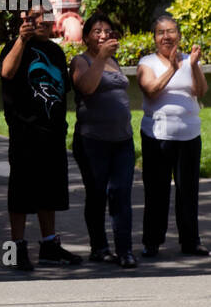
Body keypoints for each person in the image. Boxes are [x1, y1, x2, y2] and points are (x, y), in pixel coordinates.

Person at [0, 4, 82, 270]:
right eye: (36, 18)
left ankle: (49, 246)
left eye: (46, 17)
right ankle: (14, 251)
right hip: (24, 133)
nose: (42, 23)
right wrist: (22, 40)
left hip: (53, 134)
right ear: (26, 21)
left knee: (50, 192)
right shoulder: (15, 46)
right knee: (20, 194)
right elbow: (7, 73)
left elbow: (61, 89)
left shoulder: (55, 52)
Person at [70, 14, 137, 268]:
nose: (103, 35)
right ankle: (99, 247)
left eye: (107, 31)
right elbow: (86, 87)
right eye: (97, 31)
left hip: (122, 139)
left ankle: (125, 250)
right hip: (92, 141)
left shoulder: (114, 62)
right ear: (86, 37)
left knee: (121, 193)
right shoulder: (81, 61)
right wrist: (99, 57)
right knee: (97, 194)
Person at [137, 14, 207, 256]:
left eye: (171, 32)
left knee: (188, 191)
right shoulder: (147, 62)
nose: (166, 36)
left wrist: (194, 65)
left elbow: (200, 91)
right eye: (160, 32)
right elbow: (151, 90)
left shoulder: (190, 61)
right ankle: (152, 242)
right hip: (157, 137)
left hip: (189, 136)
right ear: (155, 38)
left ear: (179, 35)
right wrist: (173, 68)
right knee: (156, 191)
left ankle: (190, 241)